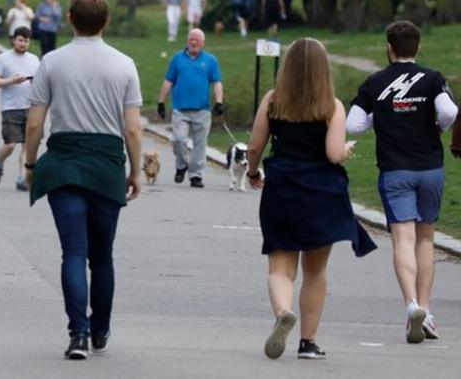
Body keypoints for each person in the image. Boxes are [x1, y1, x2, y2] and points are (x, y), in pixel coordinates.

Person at [23, 0, 143, 360]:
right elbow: (133, 129)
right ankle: (100, 328)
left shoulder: (52, 62)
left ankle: (78, 333)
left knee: (73, 252)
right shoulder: (124, 65)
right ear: (106, 21)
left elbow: (35, 124)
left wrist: (30, 164)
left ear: (70, 19)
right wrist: (136, 171)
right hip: (106, 166)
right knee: (102, 256)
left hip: (64, 164)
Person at [245, 38, 377, 360]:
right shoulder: (332, 106)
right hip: (322, 193)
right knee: (315, 271)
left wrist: (252, 171)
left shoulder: (273, 101)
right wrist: (345, 150)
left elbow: (255, 146)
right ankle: (308, 342)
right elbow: (333, 154)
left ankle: (283, 312)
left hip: (282, 189)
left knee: (280, 267)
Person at [345, 20, 458, 343]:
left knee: (403, 240)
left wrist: (379, 117)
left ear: (389, 48)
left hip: (395, 170)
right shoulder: (433, 78)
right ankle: (427, 310)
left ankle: (411, 306)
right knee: (426, 239)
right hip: (430, 168)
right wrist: (438, 128)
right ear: (418, 47)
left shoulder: (375, 83)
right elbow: (450, 112)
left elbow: (353, 125)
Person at [156, 28, 223, 188]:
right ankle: (181, 165)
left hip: (202, 110)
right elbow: (168, 81)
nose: (193, 42)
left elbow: (217, 82)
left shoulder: (211, 60)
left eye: (197, 39)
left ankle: (196, 175)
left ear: (203, 43)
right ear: (187, 41)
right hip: (180, 109)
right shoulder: (177, 59)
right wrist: (161, 102)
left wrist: (219, 102)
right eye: (191, 39)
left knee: (200, 144)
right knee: (179, 140)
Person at [0, 26, 41, 192]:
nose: (23, 43)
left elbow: (40, 81)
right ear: (13, 40)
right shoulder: (3, 59)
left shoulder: (34, 59)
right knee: (11, 144)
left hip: (30, 106)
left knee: (27, 144)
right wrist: (12, 81)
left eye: (26, 41)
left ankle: (22, 178)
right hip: (11, 107)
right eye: (20, 40)